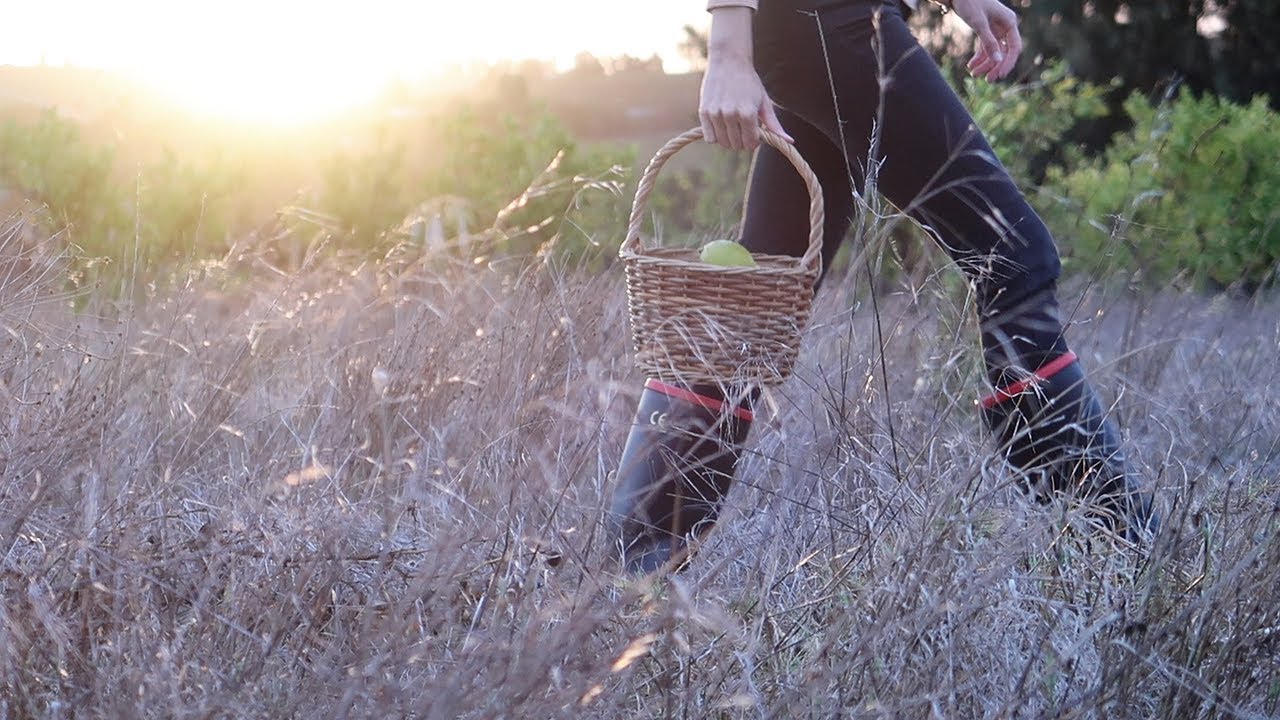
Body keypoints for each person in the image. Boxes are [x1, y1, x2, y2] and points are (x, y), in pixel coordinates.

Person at [608, 0, 1158, 575]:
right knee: (1015, 258)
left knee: (758, 302)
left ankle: (636, 574)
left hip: (821, 25)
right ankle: (1111, 549)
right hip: (829, 21)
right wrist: (726, 50)